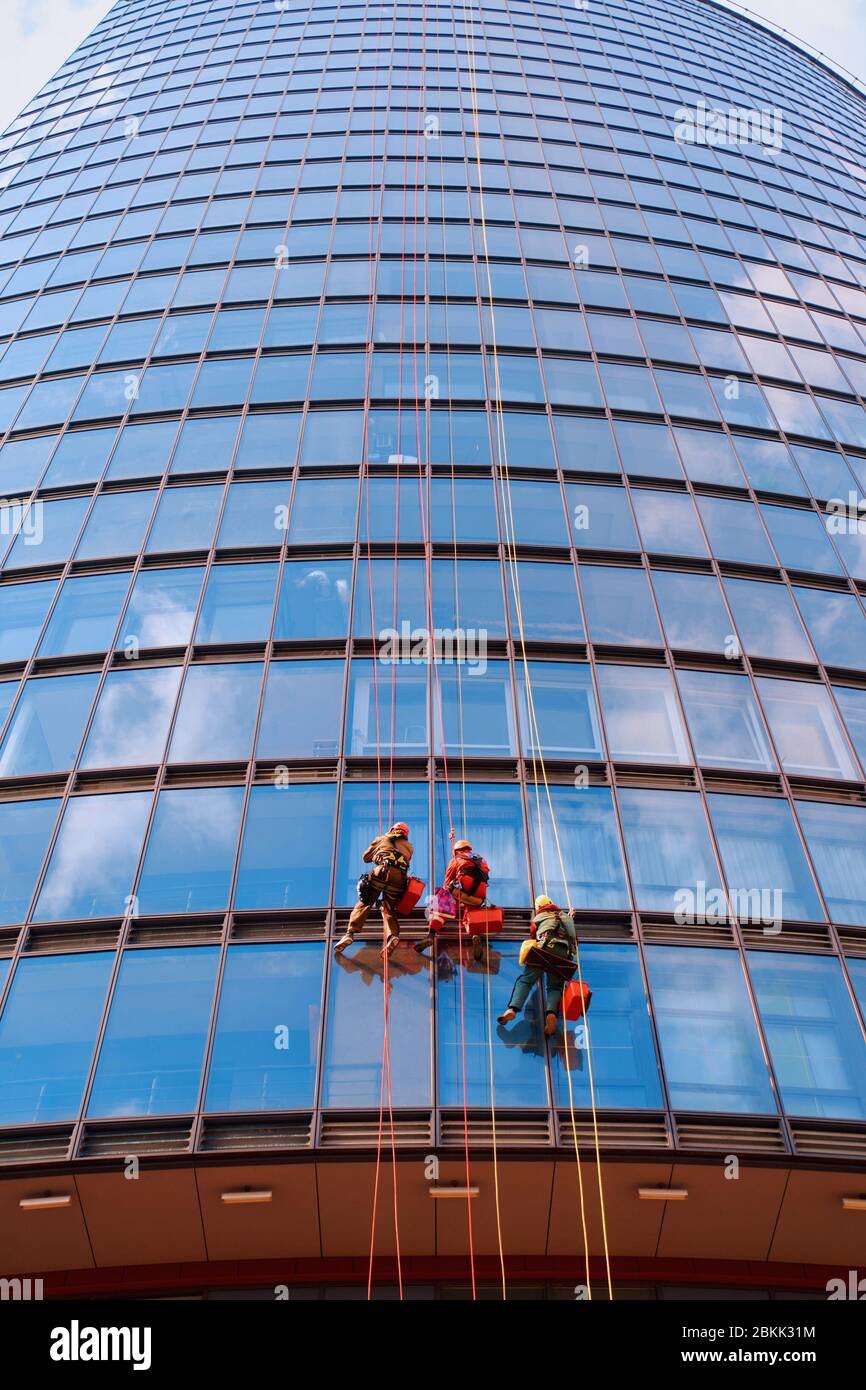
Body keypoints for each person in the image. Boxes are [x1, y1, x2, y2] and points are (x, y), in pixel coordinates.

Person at [498, 894, 579, 1036]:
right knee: (555, 986)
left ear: (539, 907)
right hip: (564, 955)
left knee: (526, 980)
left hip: (545, 949)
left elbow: (533, 933)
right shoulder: (565, 918)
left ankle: (512, 1009)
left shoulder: (539, 917)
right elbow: (574, 938)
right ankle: (551, 1014)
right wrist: (569, 916)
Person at [334, 822, 413, 957]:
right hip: (399, 880)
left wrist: (379, 850)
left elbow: (365, 857)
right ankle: (393, 935)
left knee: (365, 902)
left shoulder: (381, 838)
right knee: (389, 909)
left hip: (381, 873)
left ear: (392, 829)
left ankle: (350, 933)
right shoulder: (409, 847)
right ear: (405, 834)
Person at [415, 838, 490, 960]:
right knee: (472, 910)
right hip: (480, 892)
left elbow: (448, 880)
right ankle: (475, 934)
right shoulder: (481, 860)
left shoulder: (457, 858)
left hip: (465, 884)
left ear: (456, 850)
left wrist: (448, 898)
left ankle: (431, 935)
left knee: (442, 899)